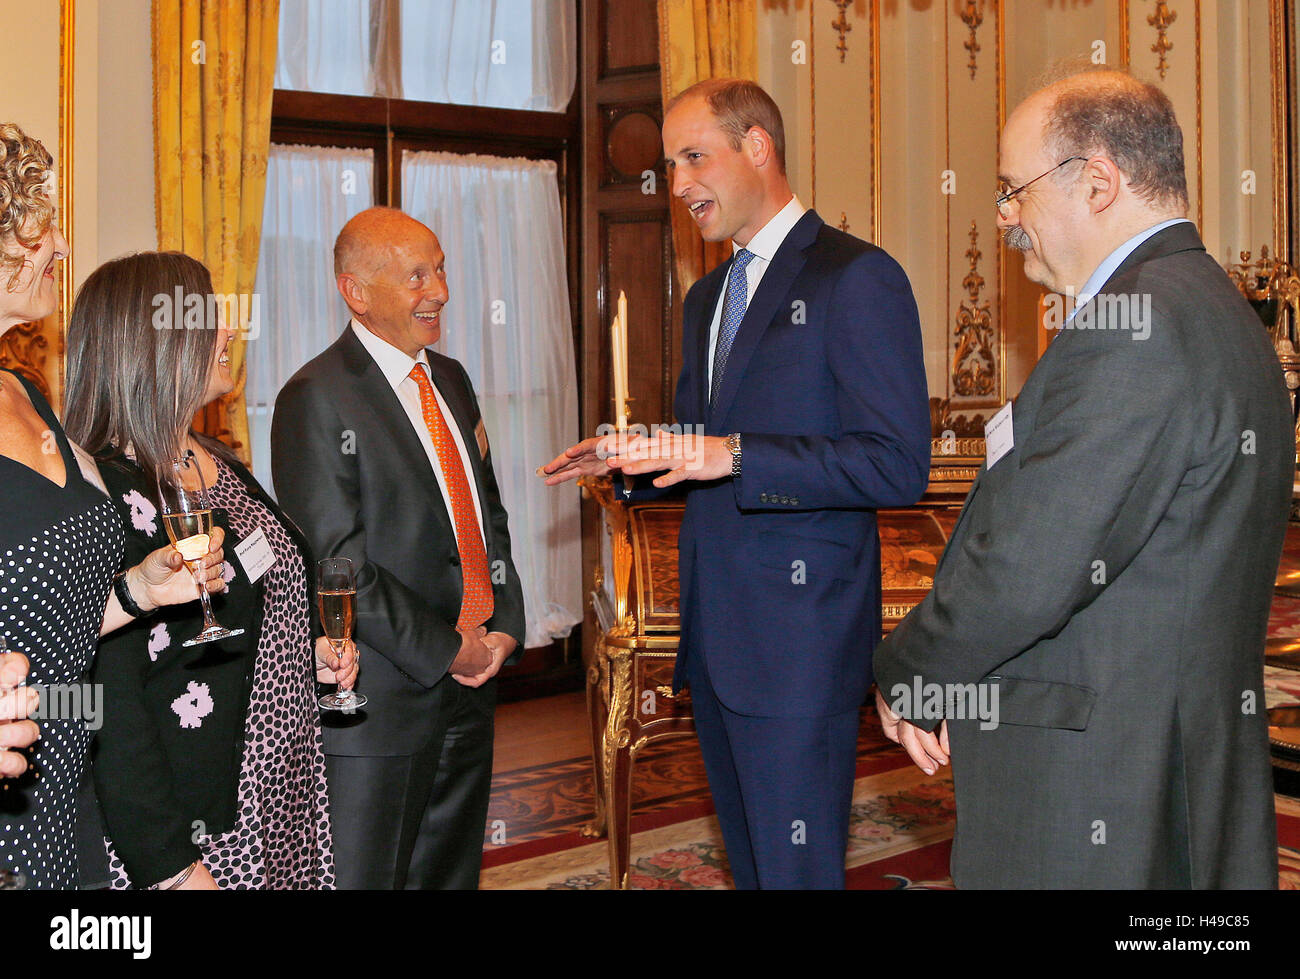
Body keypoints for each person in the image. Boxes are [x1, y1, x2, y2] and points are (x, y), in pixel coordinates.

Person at [872, 67, 1292, 888]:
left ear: (1099, 182)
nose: (1004, 217)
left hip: (1094, 794)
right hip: (1179, 766)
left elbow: (1027, 571)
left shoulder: (1130, 330)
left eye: (1013, 190)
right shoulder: (1223, 313)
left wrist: (906, 672)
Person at [543, 79, 931, 888]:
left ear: (758, 147)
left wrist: (737, 453)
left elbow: (895, 460)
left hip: (801, 647)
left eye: (693, 157)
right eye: (670, 164)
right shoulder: (707, 296)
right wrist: (633, 459)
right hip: (715, 640)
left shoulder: (856, 277)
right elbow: (705, 452)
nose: (676, 183)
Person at [63, 251, 356, 890]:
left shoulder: (213, 460)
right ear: (152, 342)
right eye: (210, 319)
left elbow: (259, 595)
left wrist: (307, 650)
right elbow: (106, 702)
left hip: (278, 788)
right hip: (192, 828)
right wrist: (170, 866)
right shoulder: (106, 494)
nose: (230, 332)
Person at [271, 207, 525, 890]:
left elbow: (487, 515)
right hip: (380, 702)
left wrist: (503, 625)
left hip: (472, 685)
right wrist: (448, 646)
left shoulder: (452, 378)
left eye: (440, 268)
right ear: (357, 291)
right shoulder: (314, 398)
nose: (438, 290)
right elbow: (337, 561)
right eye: (417, 275)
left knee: (449, 875)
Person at [0, 123, 225, 890]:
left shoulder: (25, 391)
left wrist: (137, 592)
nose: (61, 248)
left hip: (67, 800)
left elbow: (39, 618)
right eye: (38, 228)